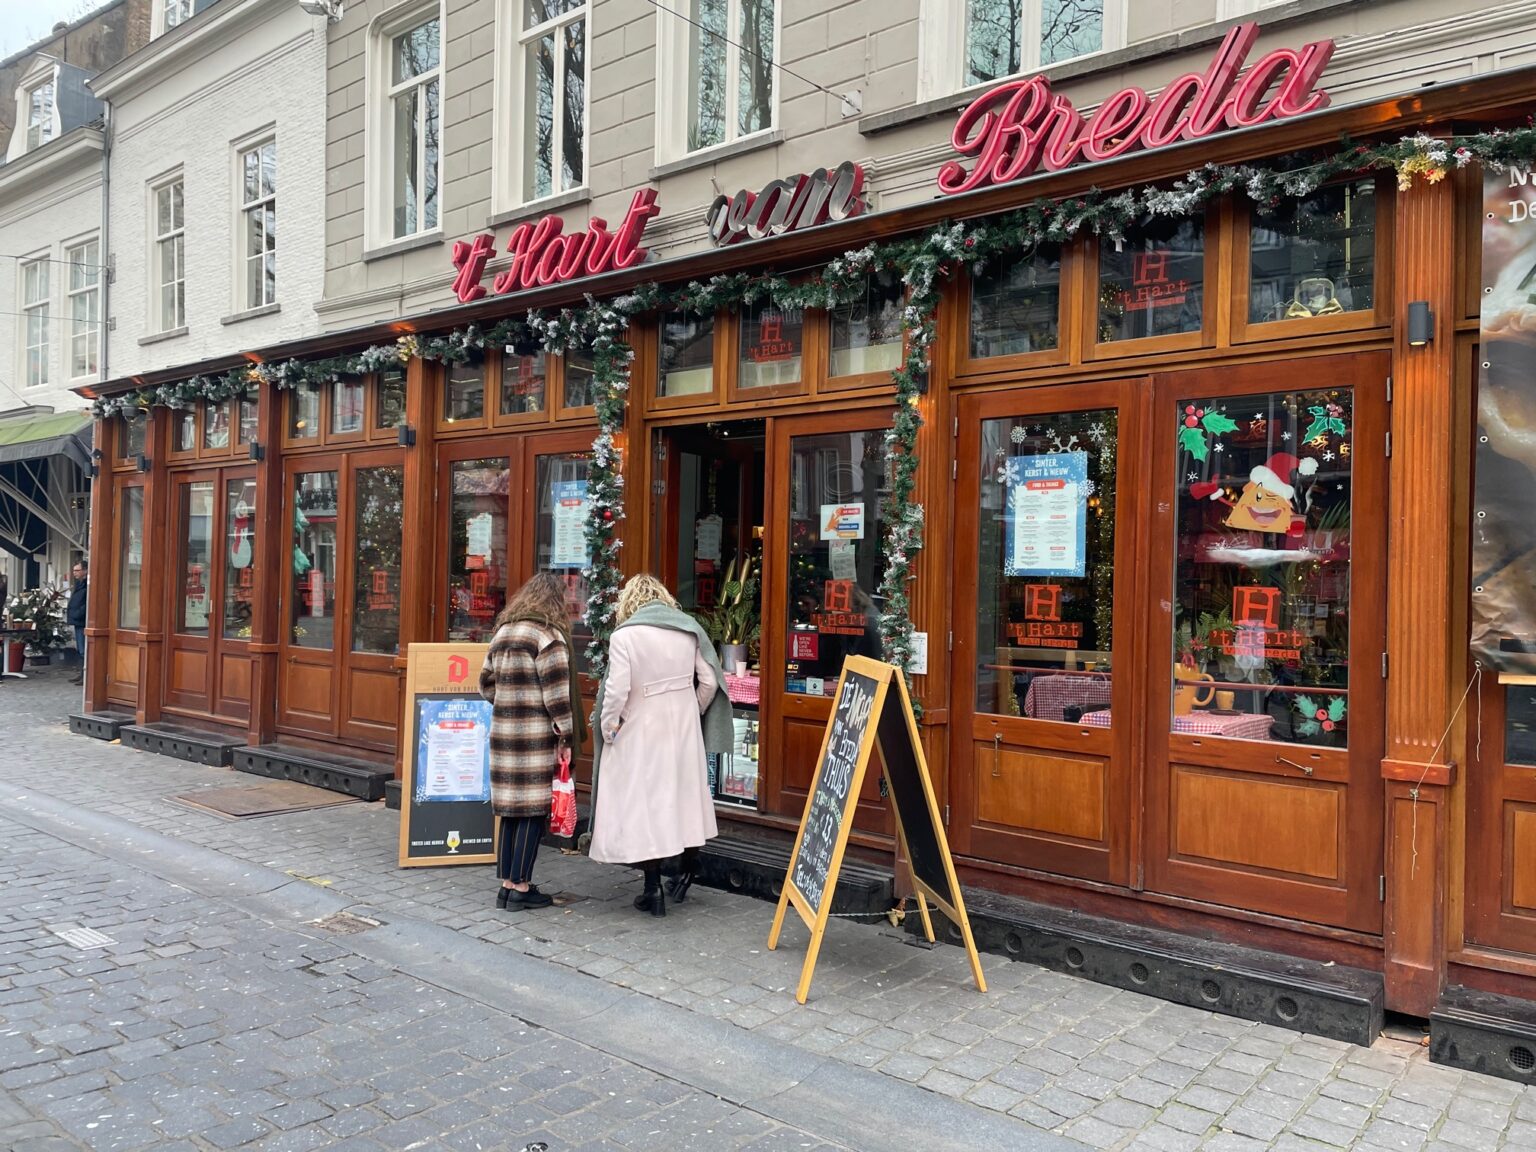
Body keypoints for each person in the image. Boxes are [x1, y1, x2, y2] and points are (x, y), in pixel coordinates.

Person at [589, 574, 732, 916]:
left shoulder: (625, 635)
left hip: (641, 726)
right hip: (682, 726)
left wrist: (609, 727)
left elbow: (616, 690)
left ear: (630, 602)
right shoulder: (687, 629)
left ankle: (652, 888)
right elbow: (711, 679)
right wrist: (693, 707)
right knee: (685, 797)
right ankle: (686, 872)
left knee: (645, 804)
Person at [478, 572, 586, 911]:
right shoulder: (547, 636)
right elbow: (557, 696)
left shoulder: (503, 631)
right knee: (532, 812)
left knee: (510, 811)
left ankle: (506, 885)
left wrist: (510, 699)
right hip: (535, 736)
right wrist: (565, 736)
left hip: (504, 733)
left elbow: (485, 684)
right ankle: (522, 887)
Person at [67, 561, 88, 685]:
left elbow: (86, 603)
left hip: (81, 620)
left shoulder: (87, 585)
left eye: (77, 570)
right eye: (74, 570)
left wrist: (78, 613)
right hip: (77, 620)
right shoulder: (79, 584)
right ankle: (81, 673)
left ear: (85, 571)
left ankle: (85, 675)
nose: (74, 573)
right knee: (80, 649)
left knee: (83, 649)